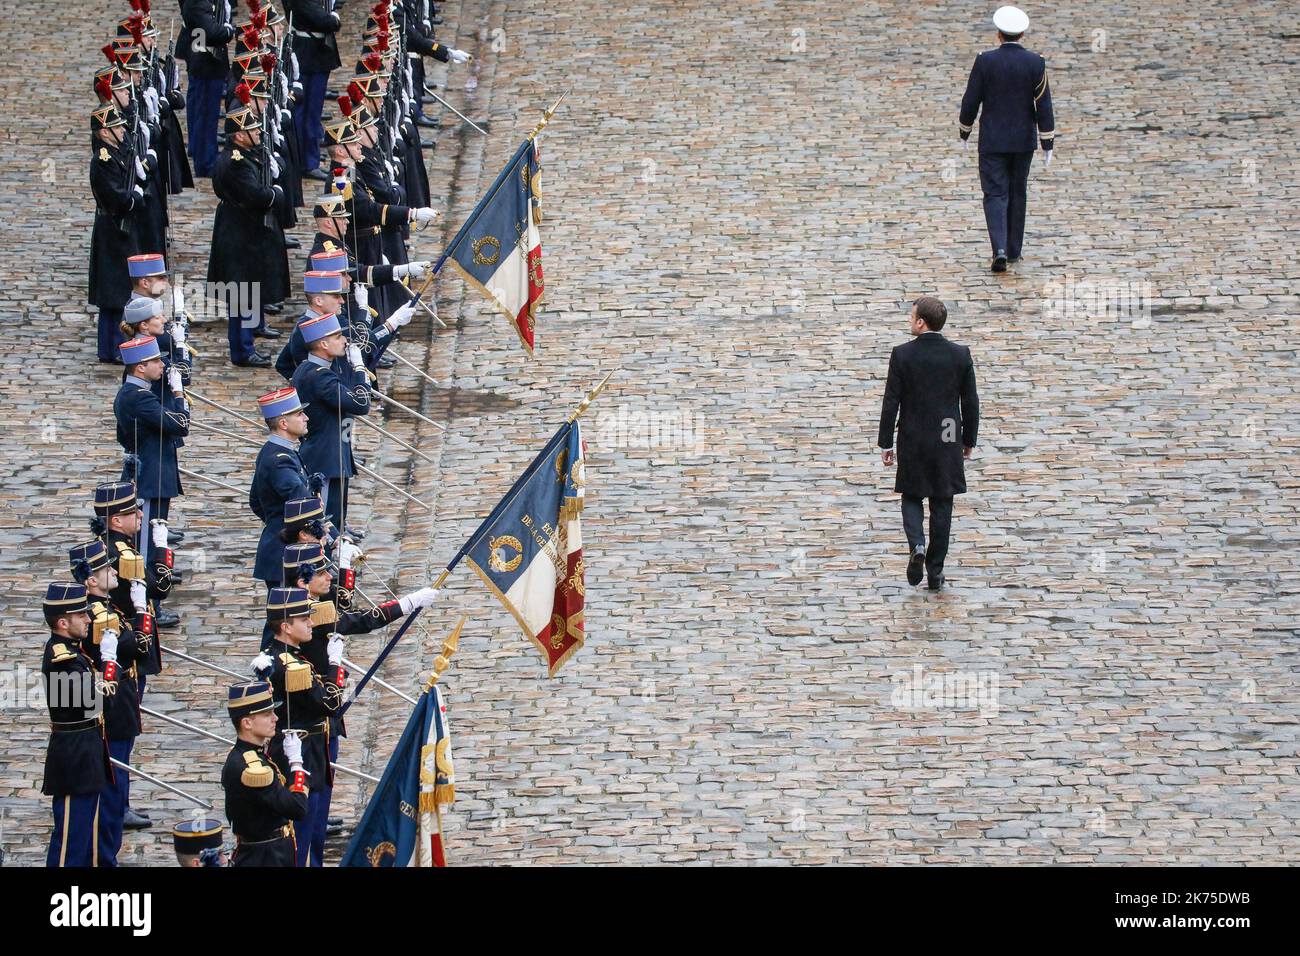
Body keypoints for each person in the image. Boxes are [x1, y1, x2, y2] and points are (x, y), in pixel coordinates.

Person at [258, 545, 438, 863]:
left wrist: (405, 603)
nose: (329, 576)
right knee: (301, 833)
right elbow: (327, 696)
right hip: (302, 741)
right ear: (302, 582)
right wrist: (335, 666)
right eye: (322, 572)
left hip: (317, 737)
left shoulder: (305, 612)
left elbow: (345, 607)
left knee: (314, 825)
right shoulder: (293, 632)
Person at [877, 297, 979, 591]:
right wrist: (969, 438)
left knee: (911, 495)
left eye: (912, 318)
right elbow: (970, 402)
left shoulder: (902, 355)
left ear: (921, 322)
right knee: (942, 501)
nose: (910, 322)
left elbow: (891, 401)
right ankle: (935, 571)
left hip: (913, 433)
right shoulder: (960, 355)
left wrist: (886, 442)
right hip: (947, 434)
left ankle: (917, 544)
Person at [70, 541, 153, 857]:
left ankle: (108, 852)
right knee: (111, 791)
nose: (112, 570)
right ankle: (104, 856)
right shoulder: (98, 615)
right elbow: (139, 647)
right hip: (112, 707)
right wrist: (142, 612)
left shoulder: (107, 609)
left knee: (117, 784)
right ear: (90, 579)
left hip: (123, 700)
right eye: (105, 568)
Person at [958, 5, 1055, 272]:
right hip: (1023, 141)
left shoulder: (985, 61)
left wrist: (964, 131)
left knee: (994, 194)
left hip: (992, 140)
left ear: (998, 34)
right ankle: (1014, 250)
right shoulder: (1035, 62)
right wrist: (1047, 142)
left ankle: (998, 248)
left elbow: (971, 99)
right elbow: (1043, 105)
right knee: (1017, 192)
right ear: (1022, 34)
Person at [207, 97, 288, 367]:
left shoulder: (247, 154)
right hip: (239, 231)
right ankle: (242, 350)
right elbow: (256, 194)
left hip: (246, 229)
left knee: (252, 286)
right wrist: (275, 193)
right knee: (242, 293)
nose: (258, 134)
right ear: (239, 135)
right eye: (253, 131)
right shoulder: (236, 162)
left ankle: (249, 339)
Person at [41, 583, 112, 867]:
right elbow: (93, 702)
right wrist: (110, 663)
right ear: (62, 622)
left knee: (84, 837)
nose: (88, 619)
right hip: (74, 757)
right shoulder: (62, 659)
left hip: (86, 751)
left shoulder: (72, 651)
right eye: (80, 615)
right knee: (71, 842)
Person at [114, 336, 188, 602]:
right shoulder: (139, 398)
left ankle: (155, 591)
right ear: (140, 367)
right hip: (150, 475)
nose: (161, 365)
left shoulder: (135, 393)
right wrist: (179, 394)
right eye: (155, 361)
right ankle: (148, 602)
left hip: (153, 471)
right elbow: (181, 424)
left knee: (155, 537)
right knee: (147, 543)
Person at [291, 313, 371, 531]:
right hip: (326, 458)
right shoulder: (320, 377)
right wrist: (359, 369)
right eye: (338, 337)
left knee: (335, 524)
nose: (344, 341)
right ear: (324, 344)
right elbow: (361, 404)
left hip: (333, 455)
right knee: (324, 526)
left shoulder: (311, 370)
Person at [250, 387, 316, 646]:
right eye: (300, 414)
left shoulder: (283, 451)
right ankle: (270, 674)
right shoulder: (279, 459)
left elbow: (256, 501)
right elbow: (301, 505)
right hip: (284, 551)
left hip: (281, 542)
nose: (306, 418)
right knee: (282, 625)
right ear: (283, 423)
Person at [221, 680, 308, 867]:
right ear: (247, 723)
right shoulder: (253, 770)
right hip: (267, 857)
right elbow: (297, 808)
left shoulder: (247, 755)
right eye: (267, 714)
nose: (275, 718)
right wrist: (296, 763)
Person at [89, 99, 147, 364]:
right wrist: (134, 198)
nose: (122, 130)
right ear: (104, 132)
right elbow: (115, 197)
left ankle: (117, 343)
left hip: (122, 228)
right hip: (112, 227)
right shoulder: (102, 161)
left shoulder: (117, 152)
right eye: (116, 127)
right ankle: (109, 347)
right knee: (111, 293)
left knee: (122, 288)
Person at [178, 0, 237, 177]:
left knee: (206, 116)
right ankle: (205, 162)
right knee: (205, 117)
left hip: (210, 63)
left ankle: (202, 152)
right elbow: (210, 31)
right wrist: (228, 30)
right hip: (206, 63)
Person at [287, 0, 343, 182]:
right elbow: (321, 19)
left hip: (317, 53)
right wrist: (333, 19)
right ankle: (307, 161)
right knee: (305, 113)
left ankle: (308, 155)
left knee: (312, 113)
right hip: (307, 53)